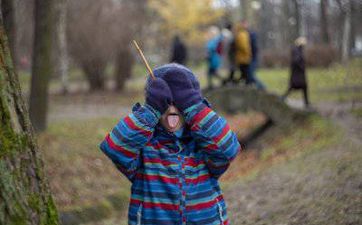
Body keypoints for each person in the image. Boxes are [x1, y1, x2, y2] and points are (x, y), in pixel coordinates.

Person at [99, 63, 241, 224]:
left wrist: (194, 107)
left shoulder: (205, 143)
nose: (172, 107)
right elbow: (115, 148)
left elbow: (229, 149)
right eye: (166, 101)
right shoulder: (143, 147)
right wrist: (151, 110)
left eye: (179, 100)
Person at [282, 37, 310, 107]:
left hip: (296, 73)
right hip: (298, 74)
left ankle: (306, 103)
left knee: (297, 87)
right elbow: (296, 60)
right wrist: (302, 67)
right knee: (301, 86)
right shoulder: (297, 50)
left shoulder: (296, 49)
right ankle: (306, 103)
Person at [245, 22, 266, 90]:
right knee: (249, 75)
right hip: (252, 58)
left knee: (250, 75)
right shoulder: (250, 34)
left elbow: (253, 48)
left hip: (252, 58)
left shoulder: (251, 35)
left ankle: (262, 88)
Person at [234, 20, 251, 84]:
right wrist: (248, 53)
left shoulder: (241, 33)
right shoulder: (242, 34)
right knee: (246, 74)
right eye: (245, 24)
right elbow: (243, 46)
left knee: (244, 74)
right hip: (243, 58)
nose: (247, 25)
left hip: (242, 58)